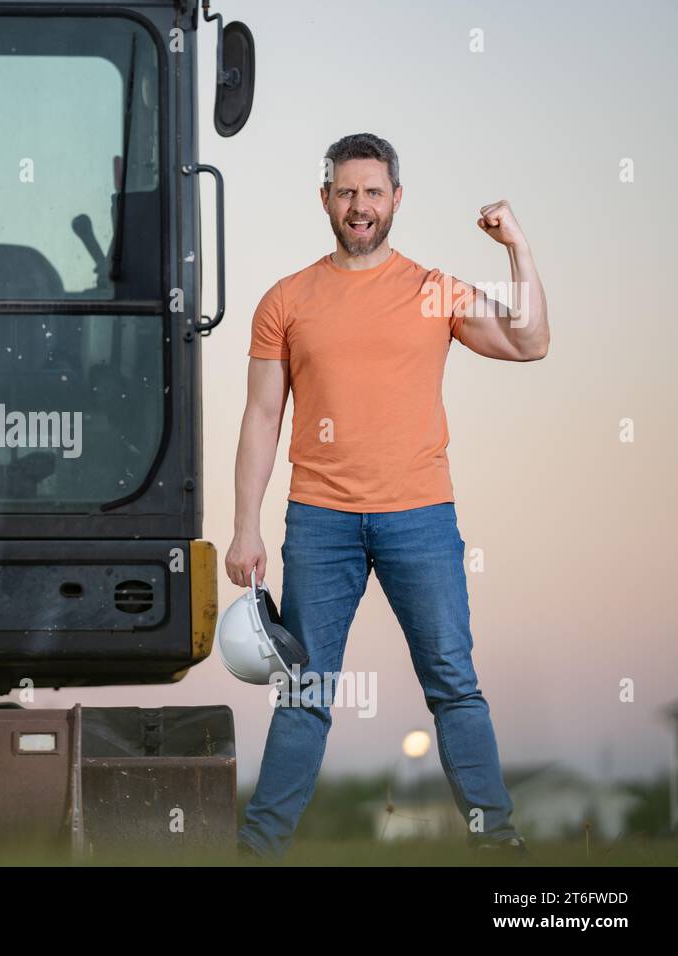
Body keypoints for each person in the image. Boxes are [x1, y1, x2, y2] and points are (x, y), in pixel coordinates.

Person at [226, 132, 548, 859]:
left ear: (396, 200)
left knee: (454, 685)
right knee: (305, 694)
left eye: (373, 192)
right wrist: (245, 526)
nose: (359, 205)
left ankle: (496, 843)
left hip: (420, 518)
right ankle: (258, 849)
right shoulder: (286, 299)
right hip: (319, 521)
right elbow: (261, 417)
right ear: (325, 200)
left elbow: (531, 341)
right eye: (346, 191)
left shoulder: (434, 289)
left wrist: (516, 246)